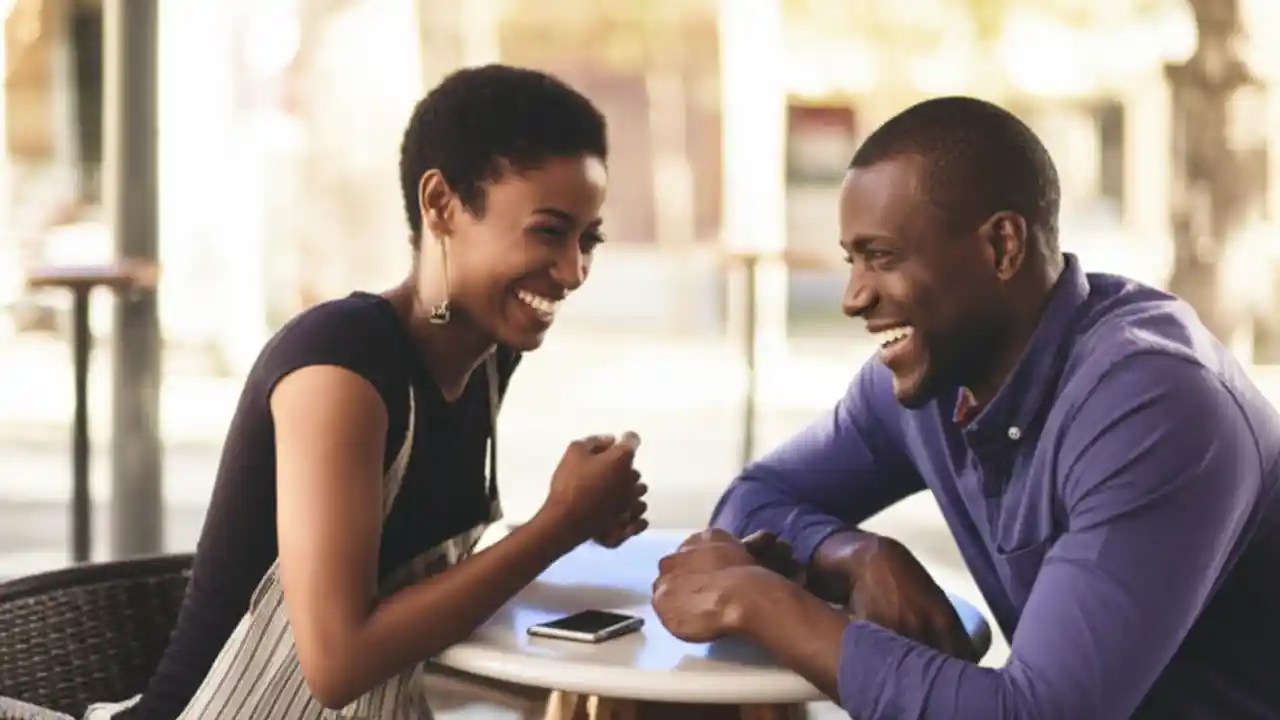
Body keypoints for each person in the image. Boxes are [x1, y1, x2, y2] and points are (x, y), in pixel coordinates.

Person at [652, 96, 1280, 719]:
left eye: (882, 257)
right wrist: (856, 555)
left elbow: (1035, 716)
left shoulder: (1152, 404)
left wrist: (762, 604)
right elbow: (753, 499)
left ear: (1002, 246)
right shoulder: (936, 375)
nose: (853, 297)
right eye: (851, 260)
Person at [86, 64, 648, 719]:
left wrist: (580, 521)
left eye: (589, 240)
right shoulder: (341, 365)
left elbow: (427, 596)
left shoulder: (489, 361)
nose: (574, 271)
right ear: (440, 204)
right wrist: (558, 525)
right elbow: (337, 661)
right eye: (550, 232)